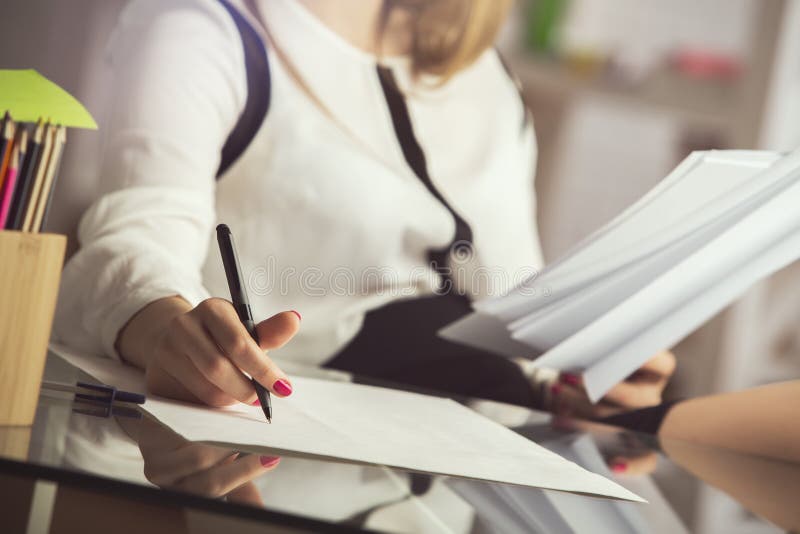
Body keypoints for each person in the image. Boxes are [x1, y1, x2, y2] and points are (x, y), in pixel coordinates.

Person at [55, 0, 674, 413]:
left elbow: (513, 295)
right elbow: (134, 240)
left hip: (466, 472)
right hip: (291, 447)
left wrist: (573, 378)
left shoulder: (487, 76)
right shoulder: (204, 25)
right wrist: (165, 328)